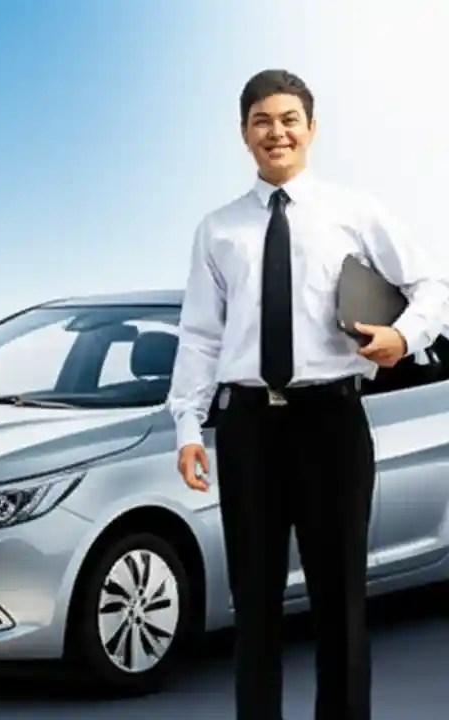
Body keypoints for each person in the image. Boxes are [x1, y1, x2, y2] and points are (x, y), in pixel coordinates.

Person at [167, 69, 448, 720]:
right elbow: (200, 336)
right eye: (262, 121)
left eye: (290, 119)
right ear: (243, 134)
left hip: (332, 422)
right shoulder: (218, 230)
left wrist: (403, 337)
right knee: (255, 604)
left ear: (312, 130)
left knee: (341, 600)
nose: (277, 132)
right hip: (246, 431)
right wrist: (187, 428)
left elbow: (433, 283)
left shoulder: (356, 212)